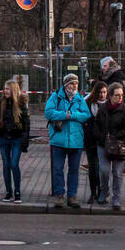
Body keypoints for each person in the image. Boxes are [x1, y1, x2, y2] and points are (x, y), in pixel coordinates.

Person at [45, 73, 90, 208]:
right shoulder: (56, 97)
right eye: (71, 83)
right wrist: (65, 114)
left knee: (74, 170)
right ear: (65, 85)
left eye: (76, 83)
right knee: (58, 169)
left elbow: (86, 115)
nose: (74, 86)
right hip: (58, 140)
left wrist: (72, 115)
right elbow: (48, 112)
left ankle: (72, 196)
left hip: (76, 140)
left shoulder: (79, 98)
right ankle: (59, 195)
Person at [93, 82, 125, 210]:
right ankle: (104, 191)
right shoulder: (103, 109)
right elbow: (97, 125)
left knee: (117, 172)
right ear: (110, 96)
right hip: (103, 144)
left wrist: (117, 135)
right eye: (117, 95)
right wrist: (101, 137)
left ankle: (116, 197)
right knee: (104, 170)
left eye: (121, 95)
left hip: (119, 145)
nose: (120, 98)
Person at [0, 80, 29, 203]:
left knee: (14, 164)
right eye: (4, 88)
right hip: (4, 138)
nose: (5, 91)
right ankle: (8, 191)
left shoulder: (21, 104)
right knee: (6, 165)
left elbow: (26, 124)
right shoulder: (3, 103)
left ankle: (17, 191)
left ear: (13, 90)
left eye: (8, 89)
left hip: (16, 138)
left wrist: (25, 141)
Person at [83, 80, 107, 204]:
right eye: (100, 92)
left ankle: (103, 192)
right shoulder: (88, 104)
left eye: (104, 92)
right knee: (93, 167)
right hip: (91, 140)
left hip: (104, 141)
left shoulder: (109, 105)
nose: (102, 95)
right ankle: (93, 192)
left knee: (104, 168)